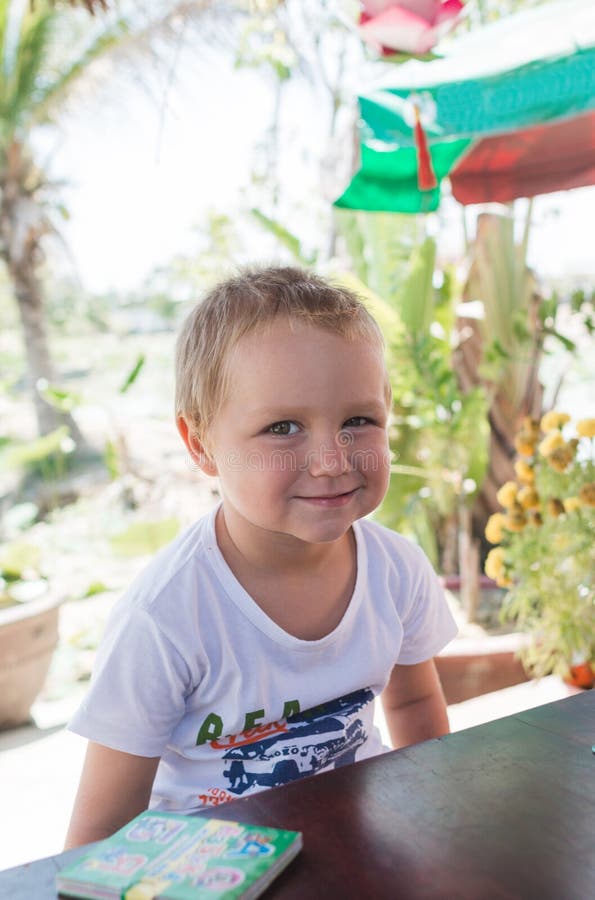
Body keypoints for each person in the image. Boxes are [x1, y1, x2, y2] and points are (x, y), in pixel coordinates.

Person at [65, 266, 457, 848]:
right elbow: (100, 831)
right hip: (211, 870)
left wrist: (441, 830)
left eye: (358, 421)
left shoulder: (395, 570)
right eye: (283, 427)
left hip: (360, 850)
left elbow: (417, 703)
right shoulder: (165, 618)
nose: (332, 460)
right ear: (201, 444)